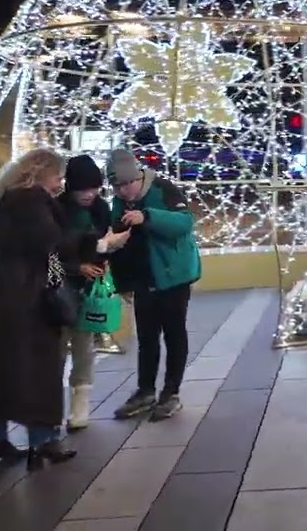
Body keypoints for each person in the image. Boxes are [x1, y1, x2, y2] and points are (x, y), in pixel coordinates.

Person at [0, 147, 77, 471]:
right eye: (57, 176)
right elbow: (49, 244)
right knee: (37, 370)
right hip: (28, 295)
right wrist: (93, 243)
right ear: (41, 172)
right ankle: (40, 443)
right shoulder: (32, 201)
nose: (59, 184)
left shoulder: (8, 199)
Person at [105, 148, 201, 422]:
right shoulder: (118, 203)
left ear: (138, 177)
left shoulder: (162, 188)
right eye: (117, 186)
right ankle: (145, 391)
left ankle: (171, 392)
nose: (124, 191)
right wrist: (122, 282)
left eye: (128, 183)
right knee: (146, 337)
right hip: (143, 279)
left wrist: (148, 216)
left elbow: (185, 223)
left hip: (174, 277)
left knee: (173, 332)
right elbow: (119, 245)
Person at [56, 154, 132, 432]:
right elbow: (51, 253)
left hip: (90, 293)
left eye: (94, 188)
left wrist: (110, 248)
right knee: (56, 351)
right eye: (82, 188)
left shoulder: (102, 209)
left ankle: (79, 408)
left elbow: (99, 246)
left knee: (84, 349)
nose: (89, 194)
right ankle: (50, 411)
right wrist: (79, 265)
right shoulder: (57, 210)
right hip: (59, 290)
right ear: (69, 186)